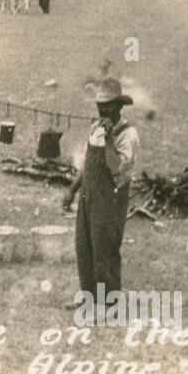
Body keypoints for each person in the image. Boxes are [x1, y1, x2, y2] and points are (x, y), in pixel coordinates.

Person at [61, 78, 139, 301]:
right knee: (84, 247)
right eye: (100, 104)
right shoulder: (96, 127)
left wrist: (107, 139)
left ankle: (109, 303)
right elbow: (89, 164)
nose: (104, 108)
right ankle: (88, 296)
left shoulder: (127, 134)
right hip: (89, 195)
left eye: (109, 104)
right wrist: (73, 190)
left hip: (110, 199)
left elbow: (117, 169)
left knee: (104, 250)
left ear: (119, 105)